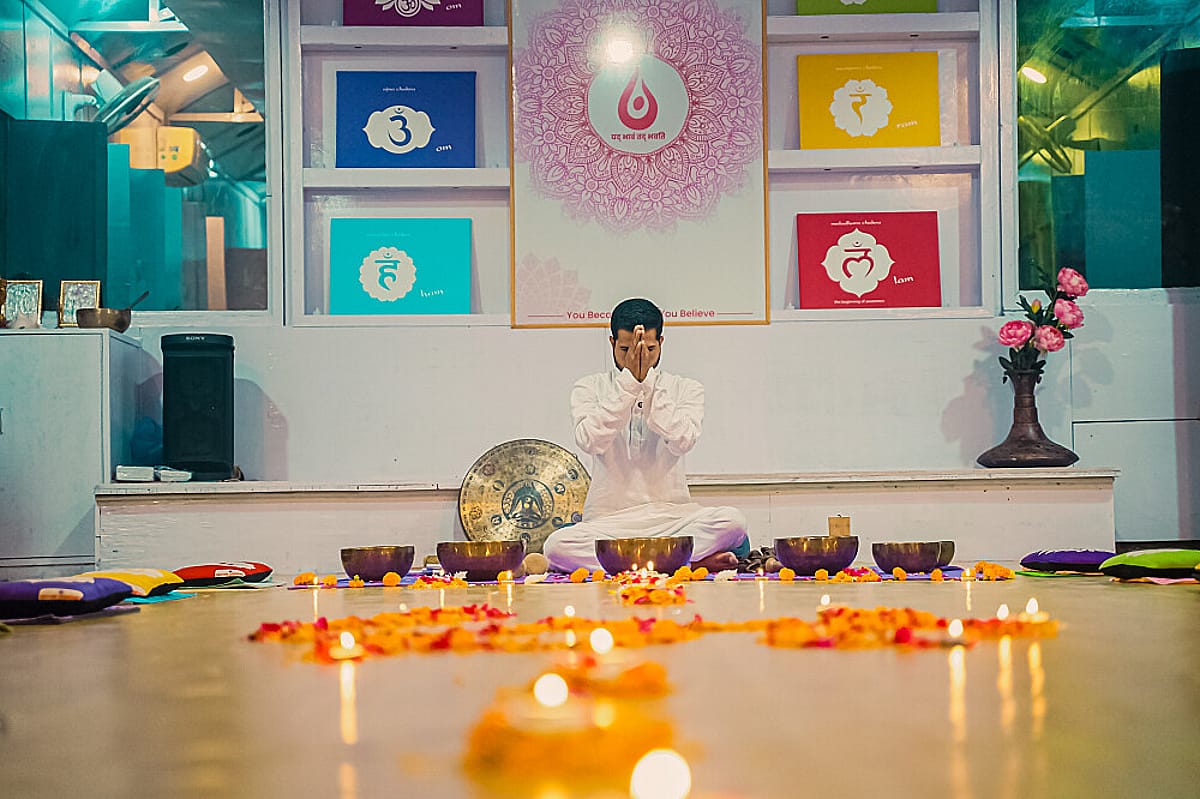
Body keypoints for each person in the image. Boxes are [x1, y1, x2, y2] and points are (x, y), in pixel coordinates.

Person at [543, 298, 750, 572]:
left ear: (662, 342)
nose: (637, 356)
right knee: (557, 546)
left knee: (733, 522)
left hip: (673, 517)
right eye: (626, 348)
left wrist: (648, 386)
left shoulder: (685, 388)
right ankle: (685, 561)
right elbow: (590, 439)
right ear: (611, 343)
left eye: (649, 348)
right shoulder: (589, 387)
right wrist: (628, 385)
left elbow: (682, 440)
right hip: (610, 521)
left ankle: (641, 562)